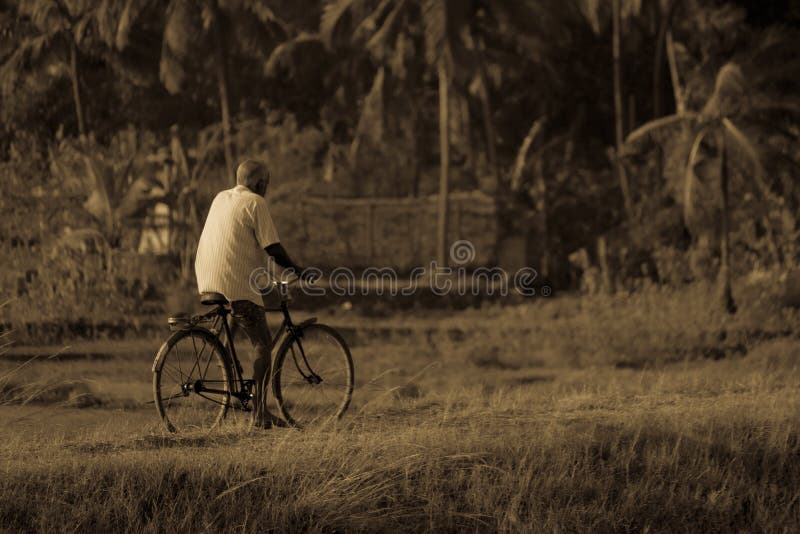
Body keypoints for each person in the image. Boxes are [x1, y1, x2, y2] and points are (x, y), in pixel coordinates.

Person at [195, 159, 310, 429]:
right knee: (262, 343)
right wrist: (298, 270)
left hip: (206, 276)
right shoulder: (256, 202)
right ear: (260, 183)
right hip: (235, 282)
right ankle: (259, 413)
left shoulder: (220, 198)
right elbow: (273, 249)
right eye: (266, 184)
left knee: (243, 309)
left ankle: (231, 372)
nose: (266, 189)